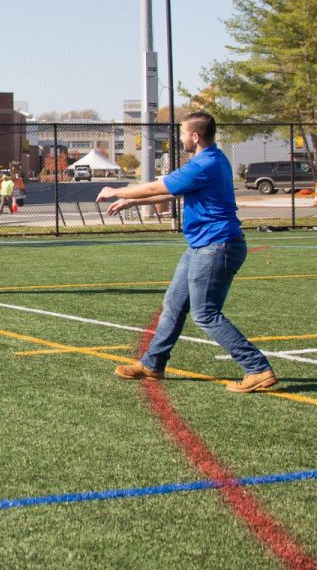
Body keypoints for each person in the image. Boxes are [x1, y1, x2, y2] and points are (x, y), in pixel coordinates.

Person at [99, 111, 278, 393]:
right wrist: (128, 202)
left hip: (216, 246)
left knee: (205, 314)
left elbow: (157, 185)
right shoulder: (209, 161)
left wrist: (116, 190)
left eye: (182, 133)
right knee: (174, 303)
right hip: (202, 246)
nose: (180, 138)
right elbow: (172, 192)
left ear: (194, 137)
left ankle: (256, 368)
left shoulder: (205, 163)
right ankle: (153, 364)